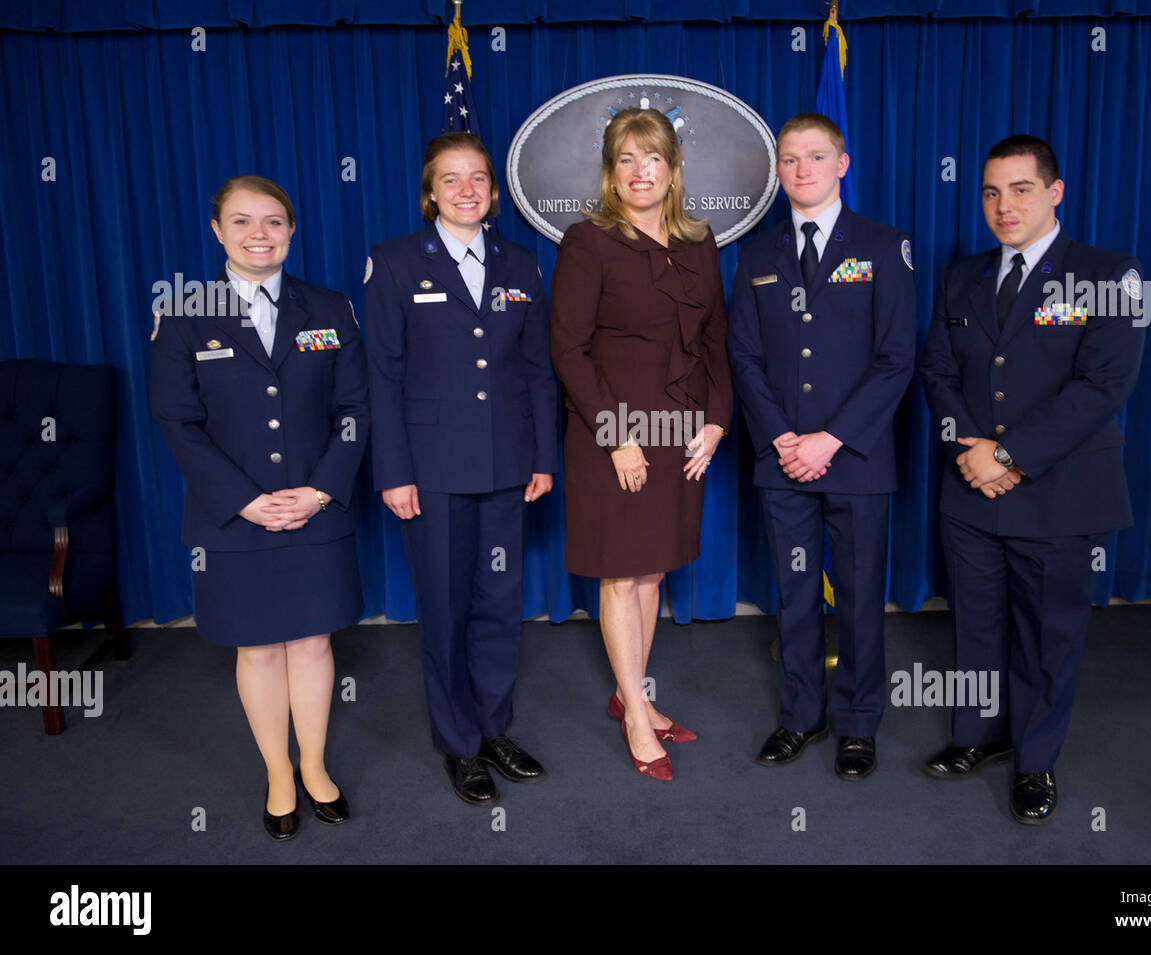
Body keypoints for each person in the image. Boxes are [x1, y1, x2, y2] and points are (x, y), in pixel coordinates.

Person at [919, 134, 1145, 824]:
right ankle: (978, 734)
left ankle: (1036, 760)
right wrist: (971, 451)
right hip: (970, 489)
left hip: (1056, 493)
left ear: (1055, 191)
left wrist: (1007, 456)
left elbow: (1102, 387)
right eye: (990, 192)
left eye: (1020, 189)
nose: (1003, 205)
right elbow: (939, 373)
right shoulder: (962, 276)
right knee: (978, 625)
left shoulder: (1111, 275)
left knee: (1049, 634)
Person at [150, 175, 369, 841]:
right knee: (259, 647)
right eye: (242, 222)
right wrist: (245, 501)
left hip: (315, 510)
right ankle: (277, 770)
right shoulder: (184, 314)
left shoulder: (330, 308)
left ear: (292, 229)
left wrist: (324, 487)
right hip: (233, 518)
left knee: (311, 641)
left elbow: (356, 411)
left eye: (273, 222)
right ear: (217, 231)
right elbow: (177, 422)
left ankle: (314, 763)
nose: (259, 235)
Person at [365, 132, 557, 807]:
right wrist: (393, 470)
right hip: (432, 469)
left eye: (478, 178)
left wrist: (543, 457)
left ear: (493, 191)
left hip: (507, 466)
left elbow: (537, 371)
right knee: (445, 610)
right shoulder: (392, 264)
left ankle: (494, 726)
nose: (467, 189)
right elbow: (381, 376)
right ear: (430, 193)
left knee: (499, 606)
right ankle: (459, 742)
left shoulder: (522, 264)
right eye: (451, 179)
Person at [728, 113, 916, 779]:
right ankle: (800, 715)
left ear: (843, 163)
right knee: (796, 591)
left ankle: (859, 722)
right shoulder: (758, 257)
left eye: (815, 156)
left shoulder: (884, 246)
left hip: (856, 457)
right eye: (789, 159)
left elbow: (897, 359)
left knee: (861, 595)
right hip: (783, 460)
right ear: (778, 172)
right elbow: (744, 358)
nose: (802, 169)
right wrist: (784, 437)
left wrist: (830, 439)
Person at [550, 108, 732, 782]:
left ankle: (632, 690)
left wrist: (716, 421)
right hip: (613, 433)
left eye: (651, 158)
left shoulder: (700, 242)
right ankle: (634, 714)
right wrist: (615, 435)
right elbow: (567, 349)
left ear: (673, 170)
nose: (639, 171)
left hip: (682, 432)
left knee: (654, 570)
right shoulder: (587, 241)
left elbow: (716, 339)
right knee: (622, 574)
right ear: (610, 172)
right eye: (625, 159)